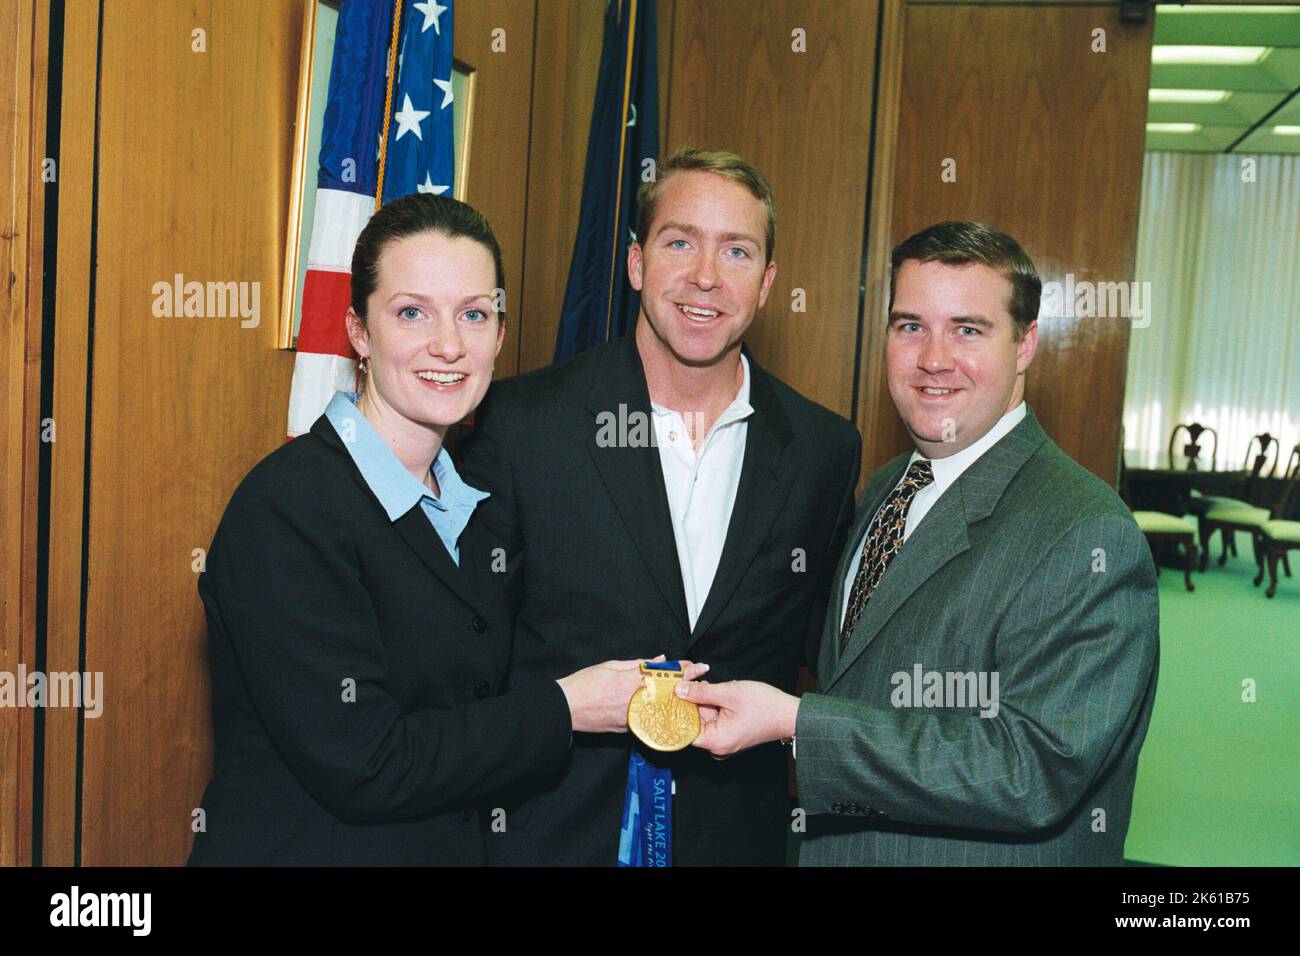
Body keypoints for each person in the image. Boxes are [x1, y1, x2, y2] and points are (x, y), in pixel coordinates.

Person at [189, 193, 698, 866]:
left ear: (500, 333)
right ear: (358, 333)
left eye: (474, 314)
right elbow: (365, 763)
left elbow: (473, 714)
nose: (450, 346)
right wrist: (566, 706)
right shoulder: (289, 510)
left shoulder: (479, 510)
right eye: (411, 313)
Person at [677, 221, 1160, 866]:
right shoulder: (886, 487)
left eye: (968, 329)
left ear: (1025, 345)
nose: (934, 358)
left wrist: (798, 724)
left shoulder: (1087, 535)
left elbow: (1033, 770)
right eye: (910, 326)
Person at [458, 148, 862, 866]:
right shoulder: (522, 425)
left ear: (767, 283)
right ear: (637, 263)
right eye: (681, 242)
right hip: (548, 839)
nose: (706, 276)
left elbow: (826, 659)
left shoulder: (823, 451)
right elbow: (466, 664)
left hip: (739, 844)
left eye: (736, 251)